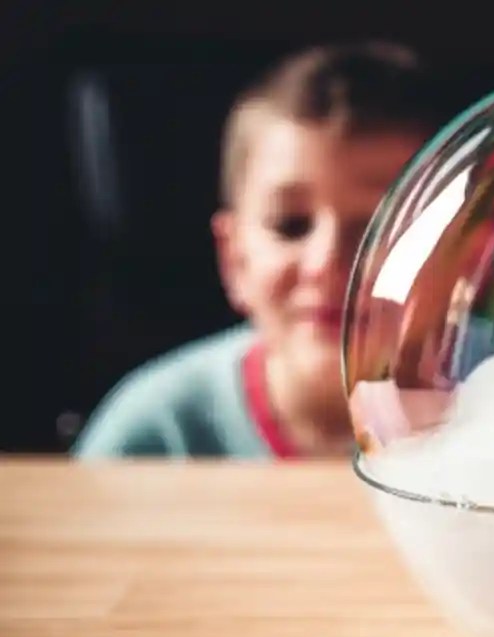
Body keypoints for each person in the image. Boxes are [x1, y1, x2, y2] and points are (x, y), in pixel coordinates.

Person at [72, 41, 440, 459]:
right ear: (234, 259)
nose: (328, 263)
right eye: (290, 226)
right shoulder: (156, 431)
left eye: (378, 227)